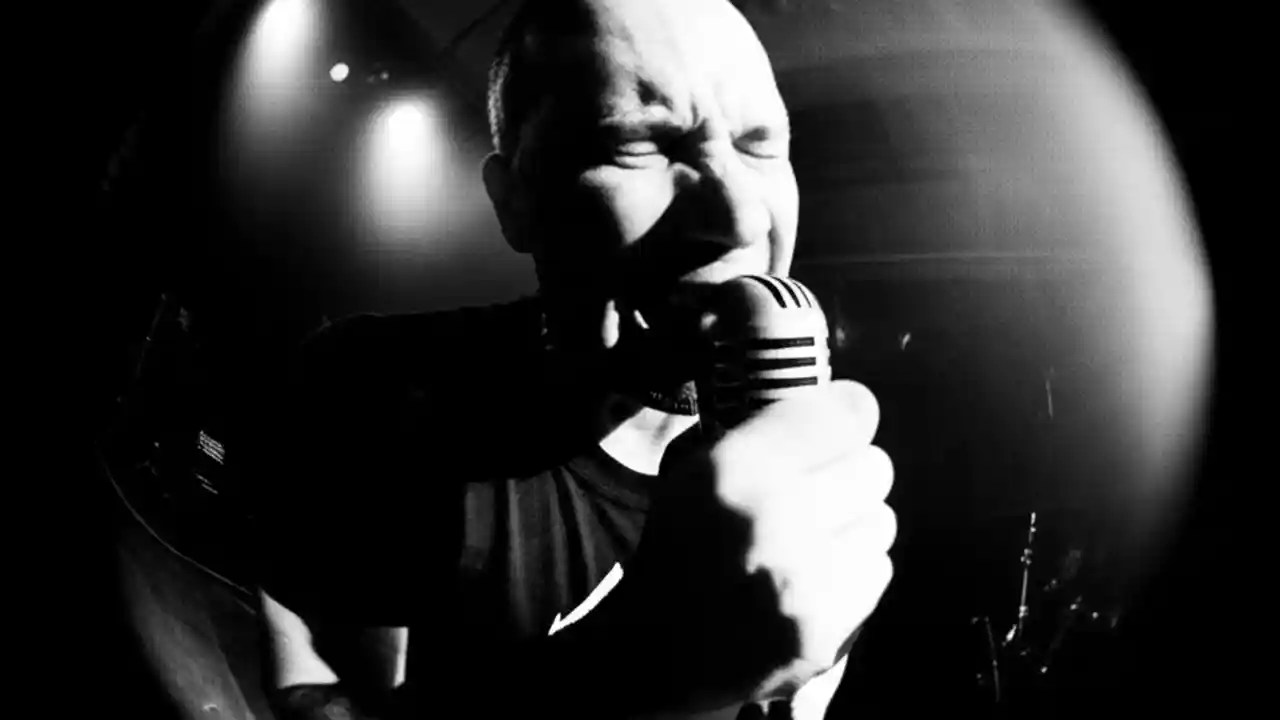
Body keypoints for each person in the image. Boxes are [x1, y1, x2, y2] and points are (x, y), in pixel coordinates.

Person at [254, 0, 896, 718]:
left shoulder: (821, 452)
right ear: (516, 200)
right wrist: (637, 674)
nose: (741, 215)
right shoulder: (381, 391)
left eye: (757, 144)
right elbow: (321, 690)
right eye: (636, 145)